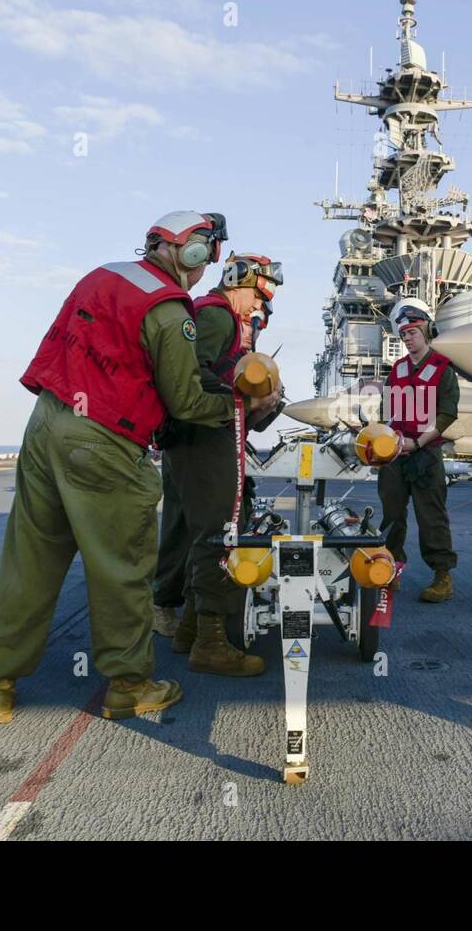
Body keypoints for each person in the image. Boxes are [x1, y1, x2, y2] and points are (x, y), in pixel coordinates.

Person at [0, 211, 243, 723]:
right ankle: (129, 686)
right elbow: (186, 401)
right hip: (104, 442)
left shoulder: (100, 275)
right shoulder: (170, 309)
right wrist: (234, 405)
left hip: (44, 427)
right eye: (207, 253)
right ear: (191, 251)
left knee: (29, 560)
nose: (206, 264)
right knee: (120, 568)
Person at [165, 253, 282, 676]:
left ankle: (193, 629)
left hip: (203, 438)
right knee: (223, 534)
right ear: (235, 282)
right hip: (205, 437)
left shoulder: (217, 319)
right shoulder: (217, 318)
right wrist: (245, 396)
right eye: (256, 296)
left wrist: (261, 402)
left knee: (209, 534)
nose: (258, 307)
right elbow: (187, 378)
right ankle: (211, 644)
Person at [377, 298, 459, 601]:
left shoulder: (442, 369)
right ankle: (391, 571)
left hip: (425, 455)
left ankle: (442, 577)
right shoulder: (397, 370)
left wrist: (419, 442)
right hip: (395, 455)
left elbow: (447, 414)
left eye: (412, 332)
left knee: (432, 517)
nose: (408, 338)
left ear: (426, 330)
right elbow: (386, 412)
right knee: (392, 516)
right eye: (404, 335)